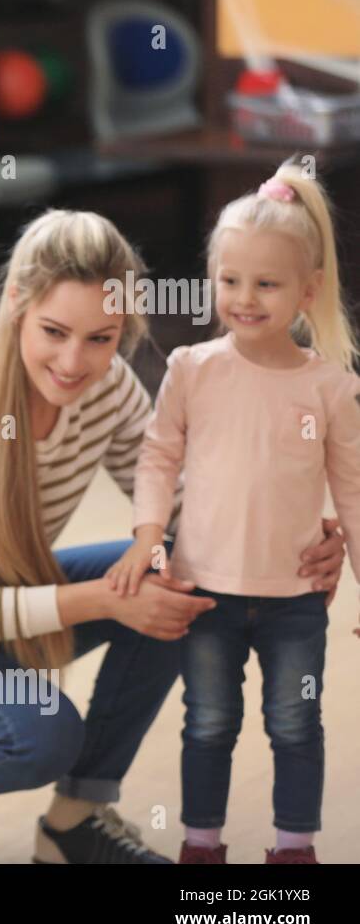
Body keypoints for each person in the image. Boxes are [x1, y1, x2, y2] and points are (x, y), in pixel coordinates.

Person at [0, 208, 348, 864]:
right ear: (15, 303)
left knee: (181, 577)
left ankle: (73, 823)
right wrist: (110, 601)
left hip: (4, 599)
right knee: (39, 734)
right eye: (54, 331)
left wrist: (298, 537)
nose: (74, 362)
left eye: (101, 338)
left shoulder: (109, 388)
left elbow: (187, 510)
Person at [108, 164, 360, 864]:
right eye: (231, 280)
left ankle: (293, 849)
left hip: (297, 601)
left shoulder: (331, 387)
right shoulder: (192, 368)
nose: (245, 299)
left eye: (268, 284)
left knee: (295, 723)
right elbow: (157, 458)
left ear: (308, 291)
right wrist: (148, 539)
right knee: (209, 725)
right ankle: (202, 845)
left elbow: (353, 490)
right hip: (205, 590)